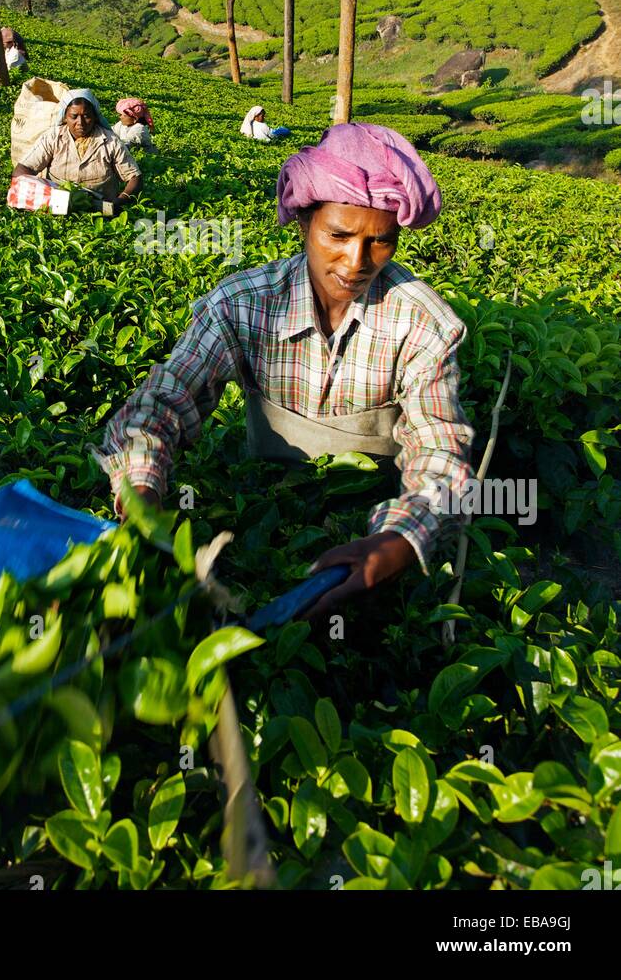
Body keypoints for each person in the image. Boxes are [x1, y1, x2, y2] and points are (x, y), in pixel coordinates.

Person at [94, 122, 475, 616]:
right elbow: (163, 401)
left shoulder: (424, 324)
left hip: (367, 526)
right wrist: (143, 492)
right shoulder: (242, 304)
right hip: (261, 508)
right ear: (304, 224)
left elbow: (440, 451)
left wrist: (400, 541)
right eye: (338, 234)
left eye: (380, 242)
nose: (356, 261)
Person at [11, 88, 142, 208]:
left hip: (99, 206)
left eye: (86, 116)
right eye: (74, 116)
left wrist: (121, 200)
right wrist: (46, 194)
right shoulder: (54, 137)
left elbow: (135, 178)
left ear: (95, 116)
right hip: (57, 205)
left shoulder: (110, 141)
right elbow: (21, 170)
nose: (80, 123)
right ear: (65, 117)